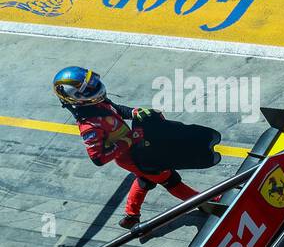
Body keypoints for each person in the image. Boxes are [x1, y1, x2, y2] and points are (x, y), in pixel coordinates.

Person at [53, 66, 218, 228]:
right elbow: (98, 158)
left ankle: (131, 216)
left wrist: (133, 112)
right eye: (89, 88)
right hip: (130, 158)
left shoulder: (97, 102)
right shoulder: (89, 127)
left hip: (137, 148)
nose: (96, 87)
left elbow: (116, 109)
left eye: (94, 82)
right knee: (170, 180)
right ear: (75, 97)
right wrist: (127, 141)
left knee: (145, 179)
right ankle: (205, 202)